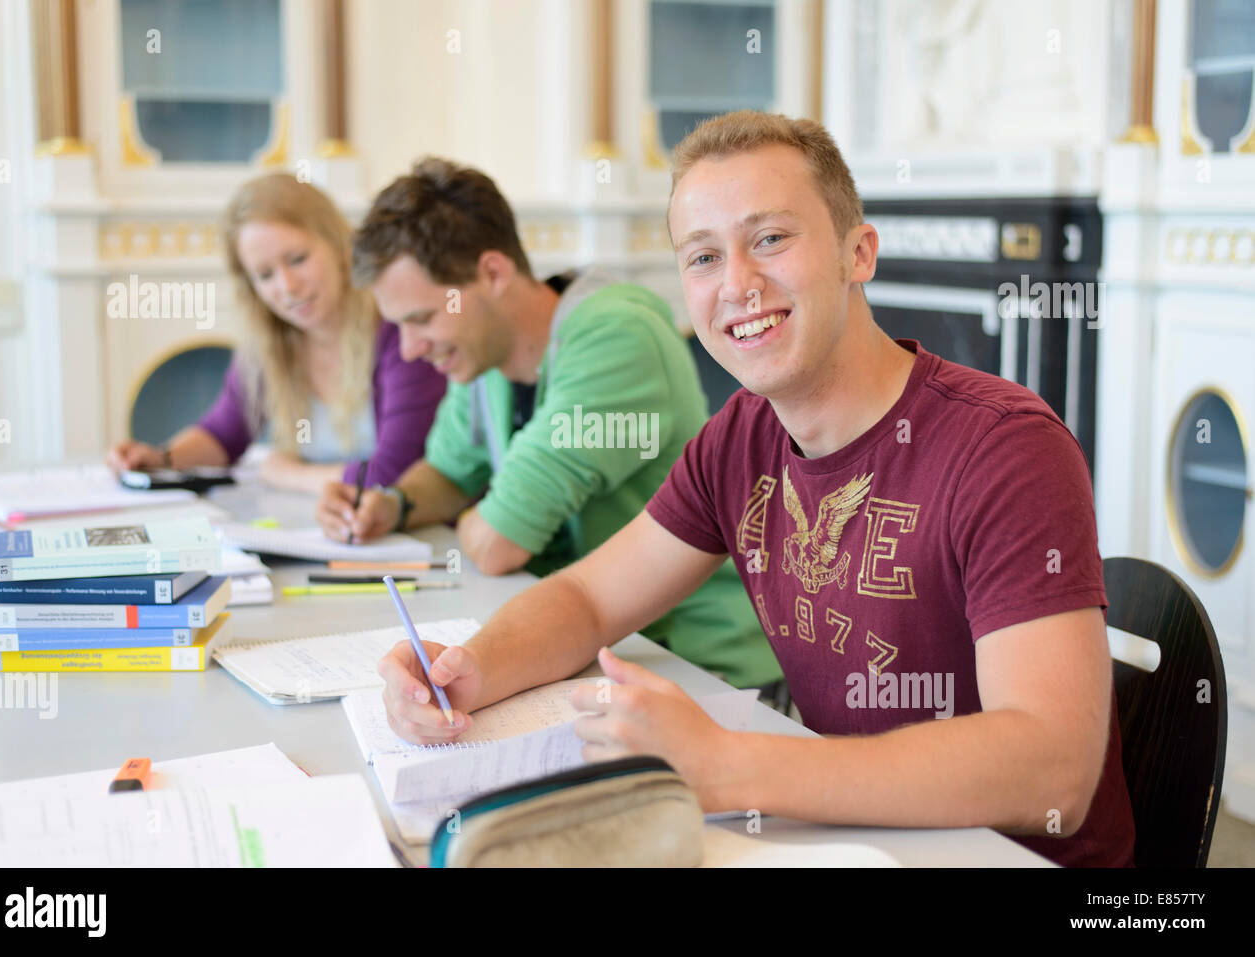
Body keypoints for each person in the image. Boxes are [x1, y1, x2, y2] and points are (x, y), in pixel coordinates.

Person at [372, 113, 1137, 867]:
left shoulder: (1005, 446)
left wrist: (729, 765)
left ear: (858, 252)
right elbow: (589, 601)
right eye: (703, 257)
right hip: (858, 839)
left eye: (771, 238)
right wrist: (470, 667)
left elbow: (1052, 768)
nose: (737, 284)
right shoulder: (741, 436)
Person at [315, 158, 781, 692]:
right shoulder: (479, 358)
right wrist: (392, 503)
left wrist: (480, 515)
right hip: (585, 646)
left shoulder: (617, 336)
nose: (410, 349)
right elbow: (446, 475)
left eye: (422, 319)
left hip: (699, 672)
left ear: (492, 274)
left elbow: (497, 543)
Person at [106, 173, 446, 494]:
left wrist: (287, 473)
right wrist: (160, 458)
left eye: (298, 259)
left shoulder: (398, 330)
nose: (287, 287)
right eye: (265, 275)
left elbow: (396, 475)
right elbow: (223, 435)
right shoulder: (271, 344)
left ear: (338, 244)